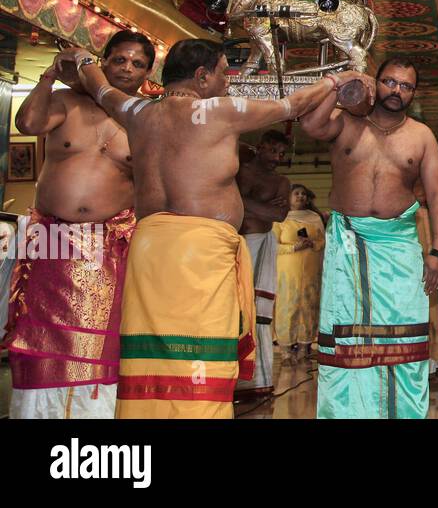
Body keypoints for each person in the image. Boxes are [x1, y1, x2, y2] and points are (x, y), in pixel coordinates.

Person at [72, 38, 348, 418]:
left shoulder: (136, 111)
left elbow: (99, 87)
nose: (227, 83)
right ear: (202, 76)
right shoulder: (218, 111)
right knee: (203, 355)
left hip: (150, 248)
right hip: (200, 252)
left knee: (152, 353)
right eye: (223, 73)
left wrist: (82, 57)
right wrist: (336, 80)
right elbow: (292, 106)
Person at [5, 31, 152, 418]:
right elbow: (29, 122)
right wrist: (48, 76)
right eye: (119, 59)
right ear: (102, 61)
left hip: (108, 242)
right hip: (50, 237)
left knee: (96, 344)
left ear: (149, 73)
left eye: (137, 63)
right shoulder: (66, 102)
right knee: (39, 340)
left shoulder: (144, 119)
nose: (126, 68)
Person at [299, 56, 438, 419]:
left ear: (415, 93)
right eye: (390, 82)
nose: (397, 91)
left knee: (404, 339)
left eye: (407, 86)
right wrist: (340, 83)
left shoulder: (421, 135)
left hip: (399, 245)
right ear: (374, 82)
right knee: (348, 340)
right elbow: (309, 124)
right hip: (348, 243)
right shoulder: (345, 122)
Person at [235, 130, 292, 397]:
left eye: (282, 154)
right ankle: (229, 380)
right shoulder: (237, 169)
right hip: (232, 243)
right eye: (273, 151)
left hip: (260, 242)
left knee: (258, 312)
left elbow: (278, 214)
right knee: (230, 311)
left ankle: (258, 381)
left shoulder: (281, 181)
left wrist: (242, 203)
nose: (277, 158)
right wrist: (260, 205)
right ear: (260, 147)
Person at [274, 184, 325, 365]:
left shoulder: (314, 218)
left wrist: (313, 243)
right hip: (288, 272)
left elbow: (322, 241)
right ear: (288, 197)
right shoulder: (280, 218)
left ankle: (305, 347)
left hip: (311, 271)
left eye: (304, 194)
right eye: (296, 193)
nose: (301, 196)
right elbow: (273, 245)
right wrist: (293, 247)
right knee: (287, 307)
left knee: (308, 307)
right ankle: (286, 351)